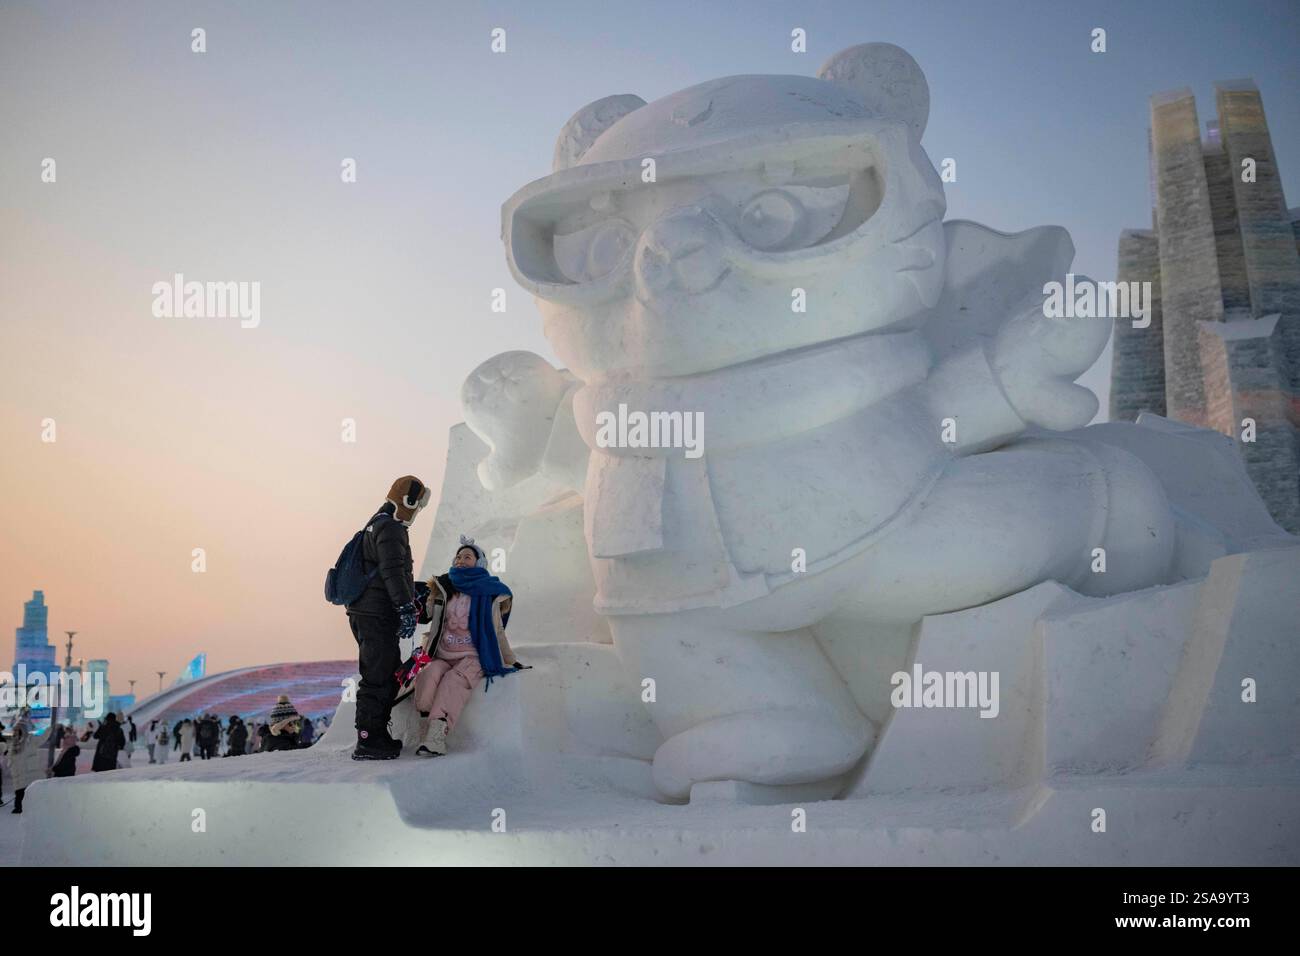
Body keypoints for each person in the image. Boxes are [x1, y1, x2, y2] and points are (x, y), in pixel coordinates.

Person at [407, 535, 528, 757]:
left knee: (454, 683)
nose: (460, 560)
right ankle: (425, 721)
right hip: (442, 653)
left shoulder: (489, 593)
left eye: (467, 557)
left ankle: (437, 736)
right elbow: (430, 614)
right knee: (429, 676)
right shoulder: (443, 587)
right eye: (458, 557)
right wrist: (426, 598)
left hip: (472, 655)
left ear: (479, 563)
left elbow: (497, 631)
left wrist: (509, 659)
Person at [345, 475, 431, 760]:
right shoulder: (391, 528)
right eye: (417, 504)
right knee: (377, 677)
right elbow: (392, 571)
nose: (417, 511)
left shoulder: (375, 523)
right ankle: (368, 741)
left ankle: (376, 732)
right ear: (408, 501)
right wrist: (405, 607)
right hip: (375, 614)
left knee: (388, 672)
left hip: (366, 612)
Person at [8, 708, 46, 813]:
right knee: (19, 791)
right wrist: (10, 764)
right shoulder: (13, 744)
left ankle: (24, 807)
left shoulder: (30, 741)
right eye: (14, 732)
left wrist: (51, 728)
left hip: (27, 772)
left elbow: (43, 738)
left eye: (17, 731)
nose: (15, 734)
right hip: (17, 772)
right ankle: (19, 807)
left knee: (26, 791)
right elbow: (10, 757)